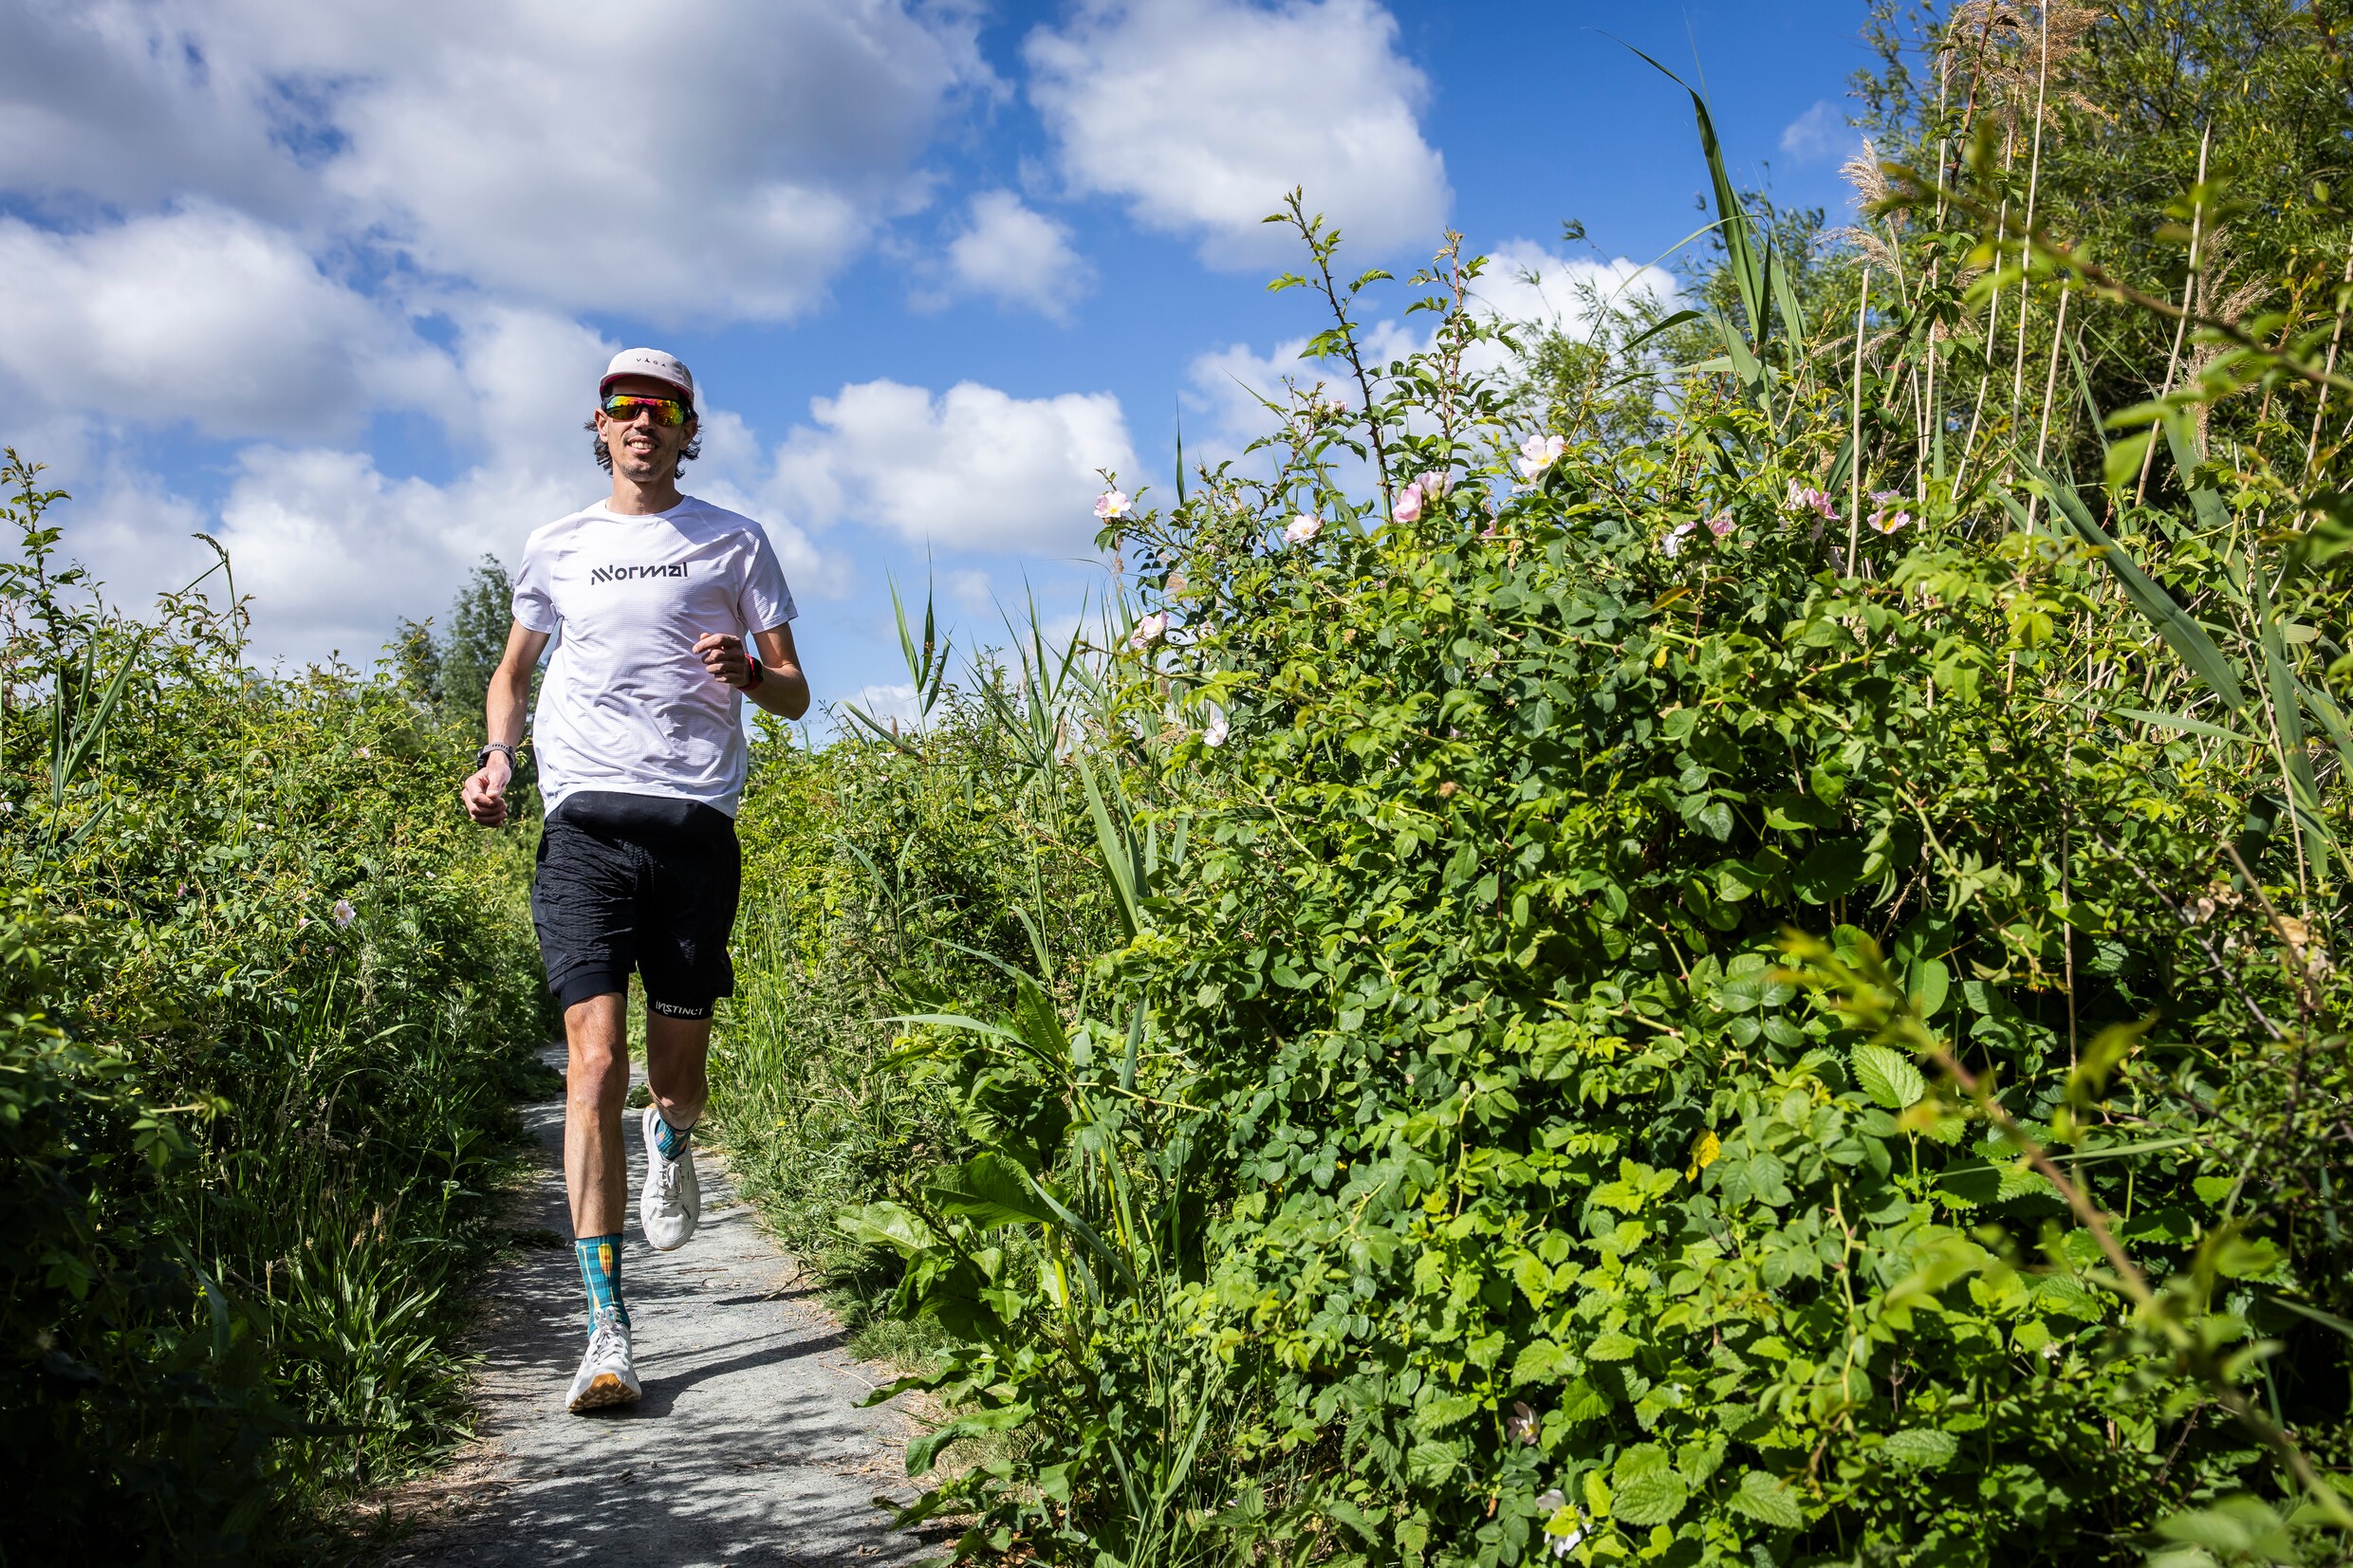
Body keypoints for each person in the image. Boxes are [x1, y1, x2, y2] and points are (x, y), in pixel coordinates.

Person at [461, 347, 809, 1412]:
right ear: (601, 427)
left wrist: (751, 672)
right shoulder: (556, 545)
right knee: (590, 1062)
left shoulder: (733, 539)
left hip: (695, 828)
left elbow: (794, 692)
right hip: (585, 830)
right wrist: (498, 760)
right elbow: (512, 675)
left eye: (663, 410)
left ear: (687, 429)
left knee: (673, 1077)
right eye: (625, 409)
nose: (643, 424)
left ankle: (673, 1135)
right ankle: (606, 1329)